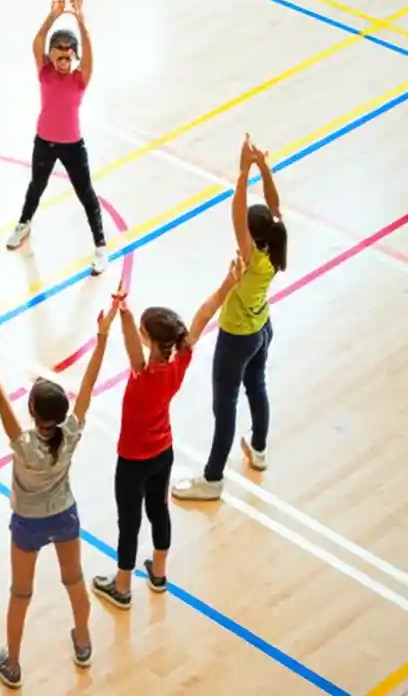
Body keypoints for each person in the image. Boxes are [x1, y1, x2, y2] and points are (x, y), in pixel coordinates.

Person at [0, 290, 119, 689]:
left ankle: (13, 664)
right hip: (64, 515)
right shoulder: (71, 433)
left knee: (21, 594)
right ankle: (84, 643)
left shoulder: (23, 444)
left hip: (27, 524)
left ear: (32, 413)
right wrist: (102, 337)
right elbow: (89, 383)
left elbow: (0, 405)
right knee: (74, 580)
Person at [91, 259, 244, 608]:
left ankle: (122, 587)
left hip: (132, 460)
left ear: (150, 340)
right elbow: (204, 314)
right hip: (163, 453)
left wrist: (123, 313)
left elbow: (130, 346)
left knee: (129, 522)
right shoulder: (179, 363)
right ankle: (159, 574)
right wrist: (227, 283)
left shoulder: (142, 376)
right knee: (159, 510)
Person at [172, 134, 287, 501]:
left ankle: (212, 479)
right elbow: (274, 205)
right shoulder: (276, 242)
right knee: (257, 386)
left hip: (237, 337)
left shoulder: (250, 257)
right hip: (262, 328)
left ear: (251, 237)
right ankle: (260, 449)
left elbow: (237, 215)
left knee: (224, 409)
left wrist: (242, 172)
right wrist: (263, 168)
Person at [7, 0, 109, 277]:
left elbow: (89, 51)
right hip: (45, 141)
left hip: (73, 145)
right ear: (51, 56)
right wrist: (52, 17)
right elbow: (37, 41)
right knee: (36, 186)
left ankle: (100, 246)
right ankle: (24, 224)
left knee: (85, 193)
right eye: (59, 56)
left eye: (69, 56)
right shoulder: (44, 72)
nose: (64, 61)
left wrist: (81, 22)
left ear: (75, 57)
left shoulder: (80, 78)